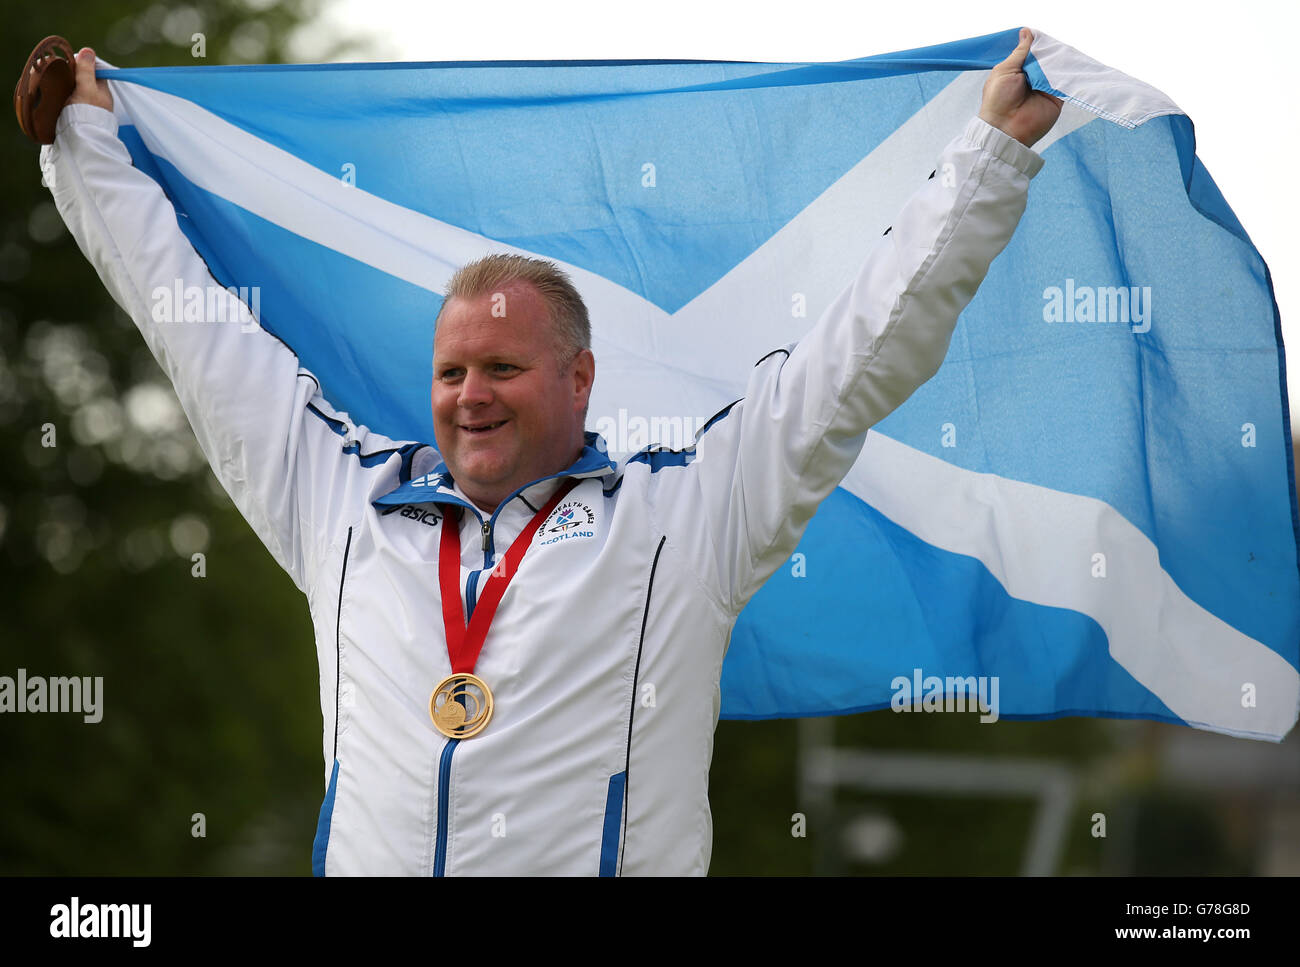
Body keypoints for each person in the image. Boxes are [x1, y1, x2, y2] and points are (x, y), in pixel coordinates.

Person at [36, 28, 1061, 875]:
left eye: (501, 368)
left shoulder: (684, 521)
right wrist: (87, 145)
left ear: (579, 380)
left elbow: (853, 363)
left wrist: (985, 161)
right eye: (449, 373)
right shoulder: (343, 506)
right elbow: (200, 338)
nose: (469, 396)